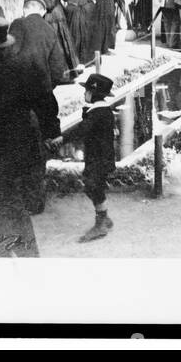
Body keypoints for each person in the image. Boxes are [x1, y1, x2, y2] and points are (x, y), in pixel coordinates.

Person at [0, 14, 60, 219]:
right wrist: (51, 132)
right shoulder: (25, 68)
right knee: (25, 199)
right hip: (25, 140)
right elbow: (46, 100)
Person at [75, 72, 117, 243]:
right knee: (93, 186)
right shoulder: (101, 111)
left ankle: (101, 223)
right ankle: (104, 217)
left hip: (99, 159)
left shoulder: (97, 113)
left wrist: (62, 138)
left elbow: (82, 129)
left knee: (93, 186)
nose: (84, 93)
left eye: (86, 91)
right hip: (99, 157)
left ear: (92, 94)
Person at [11, 0, 73, 91]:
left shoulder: (17, 24)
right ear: (43, 11)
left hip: (21, 89)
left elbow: (9, 57)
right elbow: (58, 67)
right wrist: (48, 86)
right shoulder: (49, 29)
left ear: (24, 9)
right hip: (44, 90)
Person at [65, 0, 101, 69]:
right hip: (86, 8)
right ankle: (87, 59)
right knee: (88, 33)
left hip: (74, 7)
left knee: (74, 33)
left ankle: (74, 59)